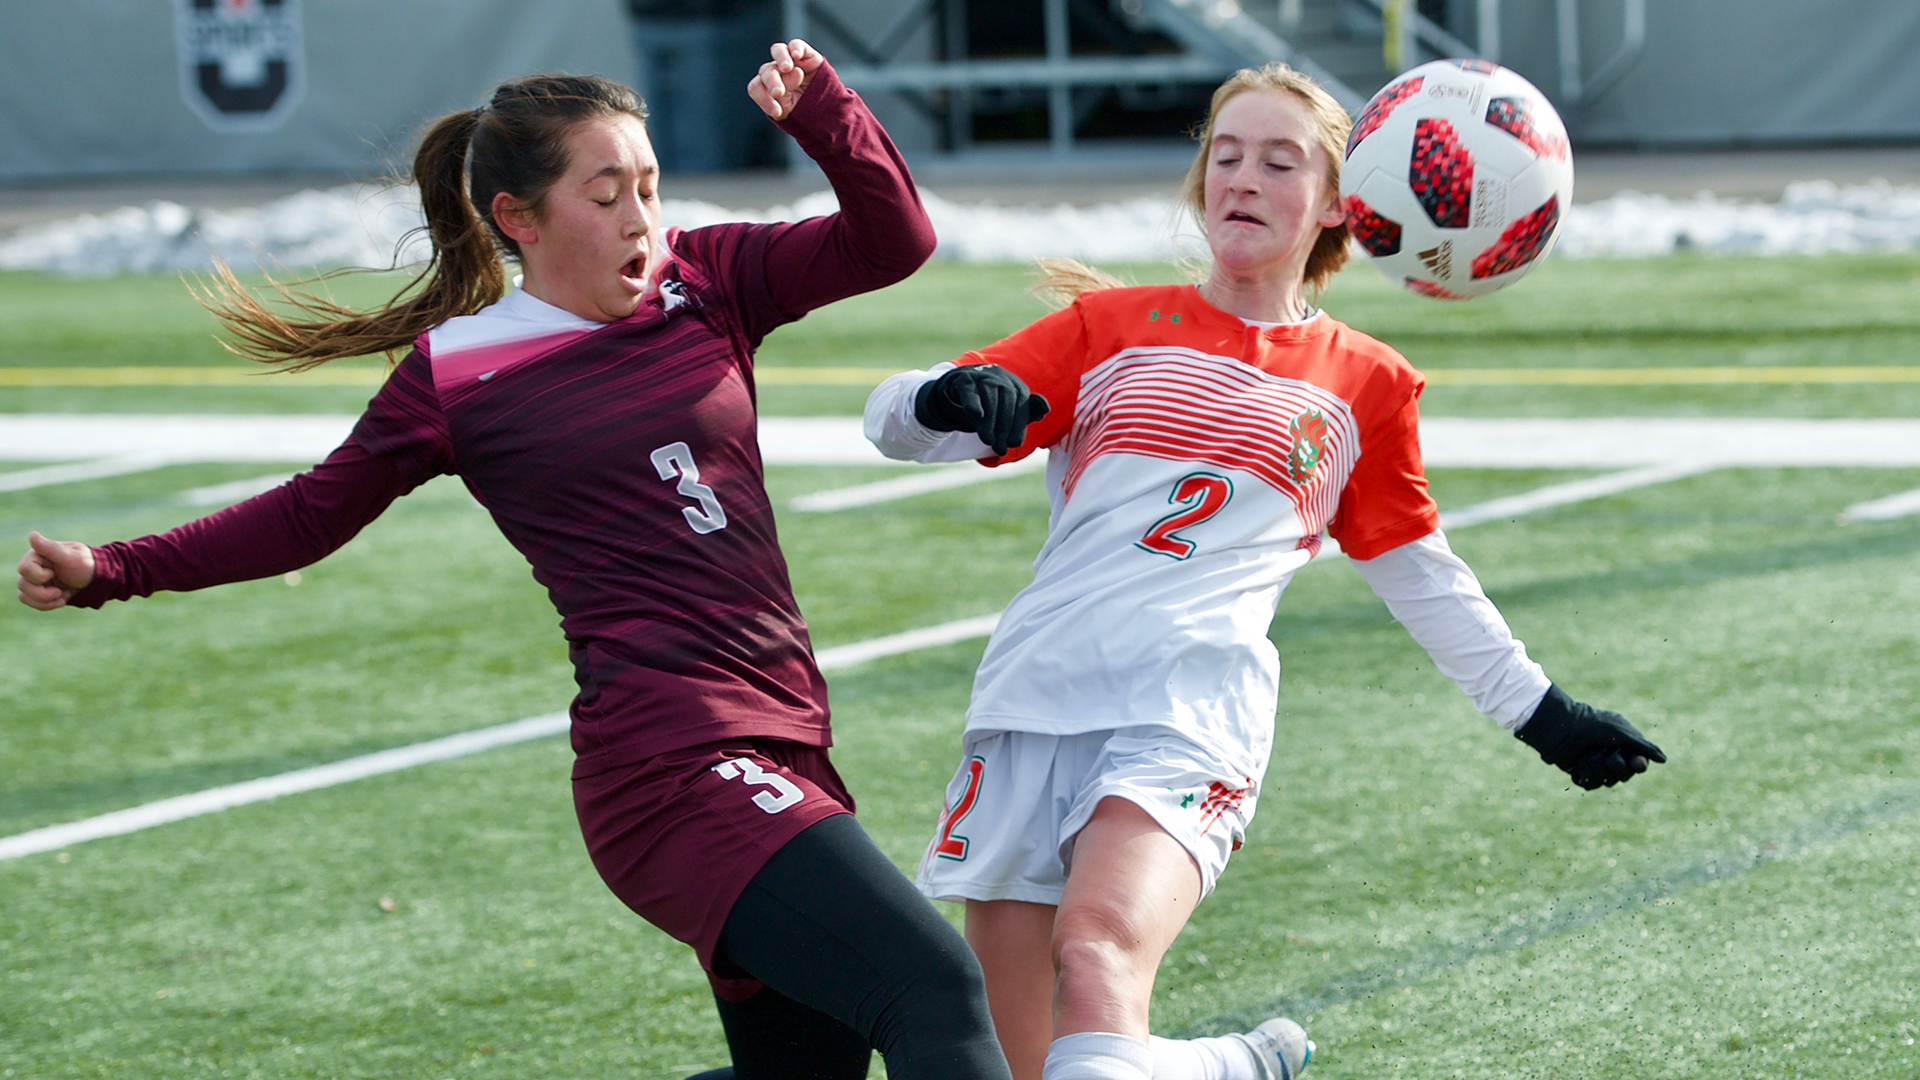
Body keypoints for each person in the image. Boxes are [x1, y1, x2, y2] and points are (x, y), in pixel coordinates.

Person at [16, 41, 1013, 1080]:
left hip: (785, 734)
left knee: (804, 1076)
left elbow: (894, 238)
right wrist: (113, 567)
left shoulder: (710, 280)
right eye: (606, 193)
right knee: (933, 988)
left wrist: (824, 114)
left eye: (650, 186)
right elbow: (309, 516)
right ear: (519, 219)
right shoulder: (459, 373)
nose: (641, 218)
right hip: (668, 771)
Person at [862, 62, 1667, 1080]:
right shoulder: (1107, 332)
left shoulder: (1362, 384)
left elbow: (1420, 573)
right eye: (1225, 155)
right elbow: (899, 422)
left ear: (1341, 202)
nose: (1241, 178)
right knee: (1019, 1057)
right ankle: (1223, 1068)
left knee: (1097, 944)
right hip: (1032, 697)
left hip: (1190, 708)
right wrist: (944, 396)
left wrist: (1540, 713)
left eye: (1280, 162)